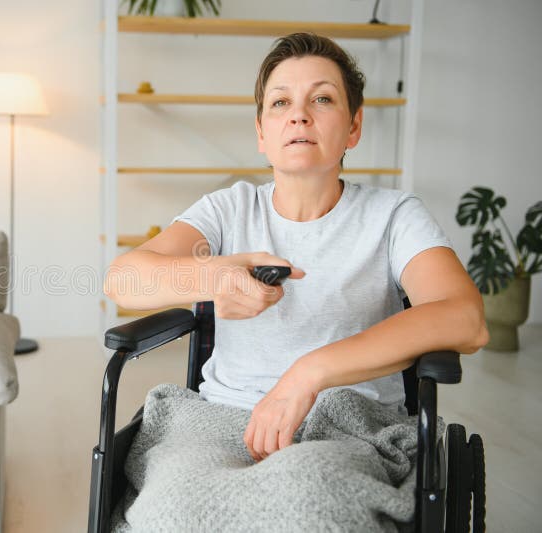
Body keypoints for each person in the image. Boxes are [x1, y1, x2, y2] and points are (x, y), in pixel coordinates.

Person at [103, 33, 488, 463]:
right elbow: (122, 280)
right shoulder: (229, 209)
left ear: (353, 127)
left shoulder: (394, 216)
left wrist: (309, 373)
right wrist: (213, 276)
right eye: (280, 103)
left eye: (322, 100)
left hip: (348, 429)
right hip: (222, 422)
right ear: (261, 132)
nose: (299, 116)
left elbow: (466, 319)